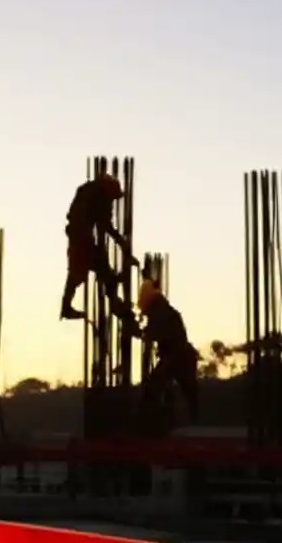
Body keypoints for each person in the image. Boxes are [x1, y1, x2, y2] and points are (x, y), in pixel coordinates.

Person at [60, 172, 138, 328]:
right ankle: (113, 301)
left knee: (89, 270)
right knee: (82, 270)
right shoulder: (100, 196)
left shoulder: (91, 191)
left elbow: (103, 224)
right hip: (81, 237)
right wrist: (121, 243)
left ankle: (114, 299)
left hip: (81, 235)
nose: (113, 201)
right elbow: (105, 225)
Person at [134, 279, 200, 432]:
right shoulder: (163, 310)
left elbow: (154, 333)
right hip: (177, 357)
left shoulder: (160, 312)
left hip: (178, 358)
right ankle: (181, 421)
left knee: (156, 388)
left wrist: (139, 332)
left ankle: (151, 425)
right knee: (182, 391)